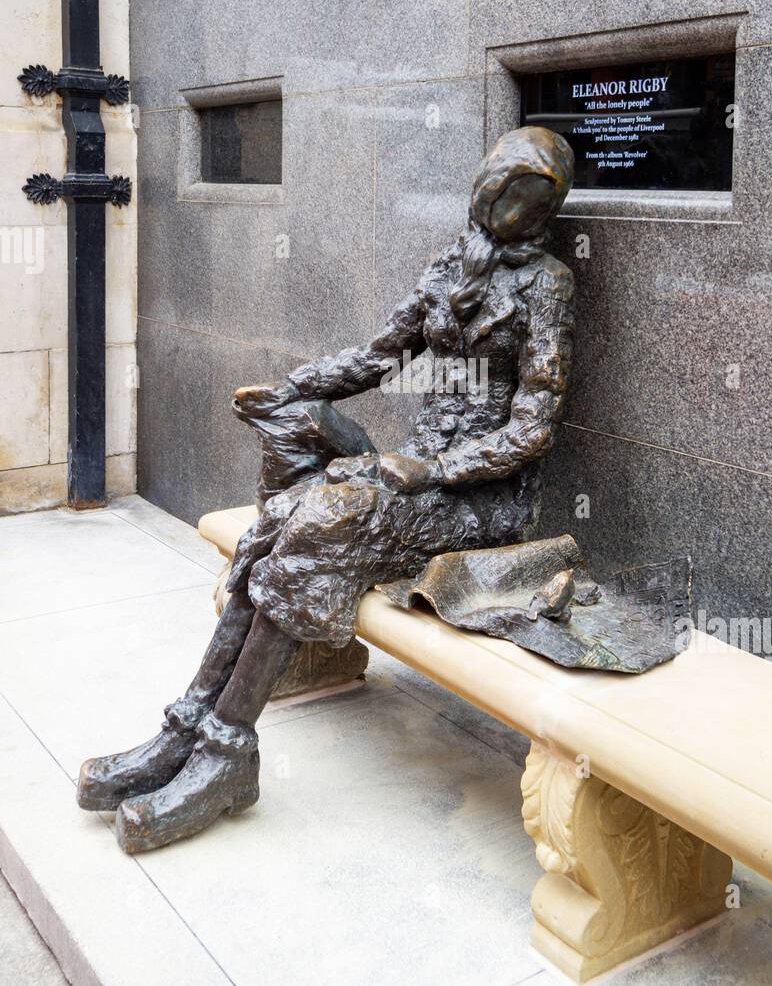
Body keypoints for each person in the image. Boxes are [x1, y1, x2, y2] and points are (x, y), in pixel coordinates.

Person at [77, 126, 576, 852]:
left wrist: (438, 470)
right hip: (416, 479)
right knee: (279, 517)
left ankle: (224, 755)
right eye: (506, 190)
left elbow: (535, 429)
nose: (516, 210)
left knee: (325, 519)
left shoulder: (549, 284)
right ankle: (182, 730)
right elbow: (375, 358)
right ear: (484, 188)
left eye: (536, 199)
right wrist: (286, 390)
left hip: (479, 501)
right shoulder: (447, 268)